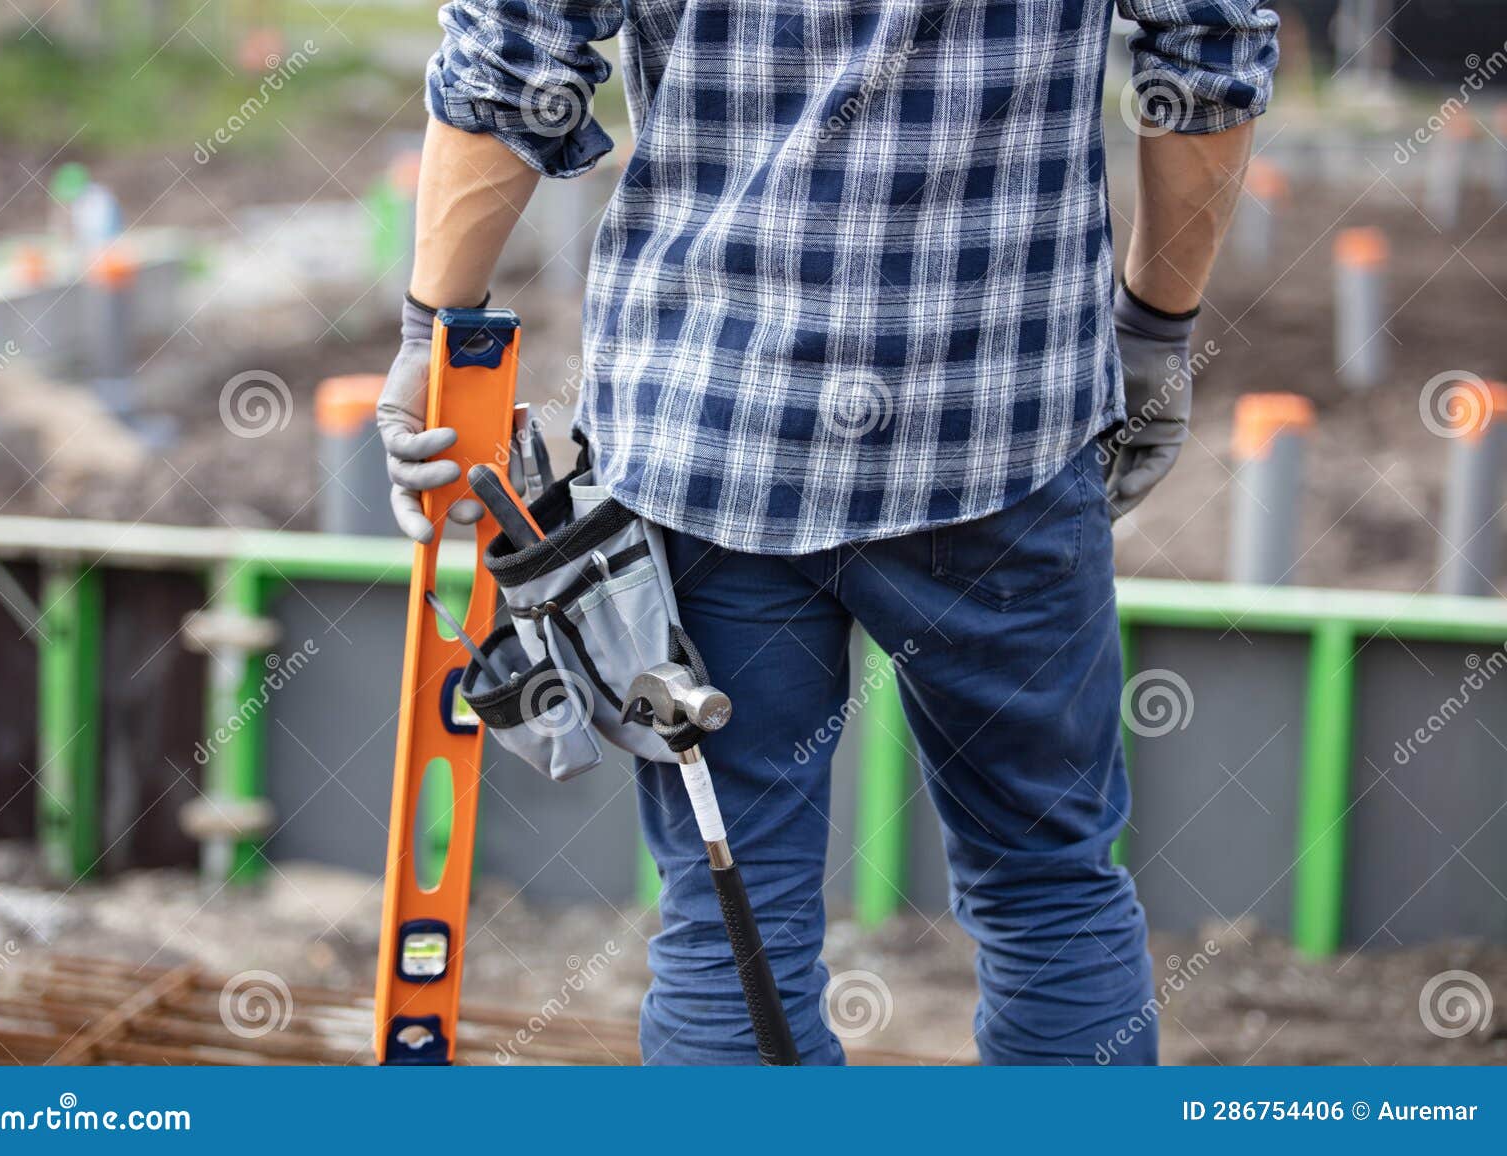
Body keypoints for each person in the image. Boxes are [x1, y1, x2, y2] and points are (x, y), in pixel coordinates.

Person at [378, 0, 1278, 1065]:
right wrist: (1152, 332)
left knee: (729, 921)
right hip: (998, 433)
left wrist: (432, 332)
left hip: (711, 435)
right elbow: (1210, 45)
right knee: (1049, 893)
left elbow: (513, 50)